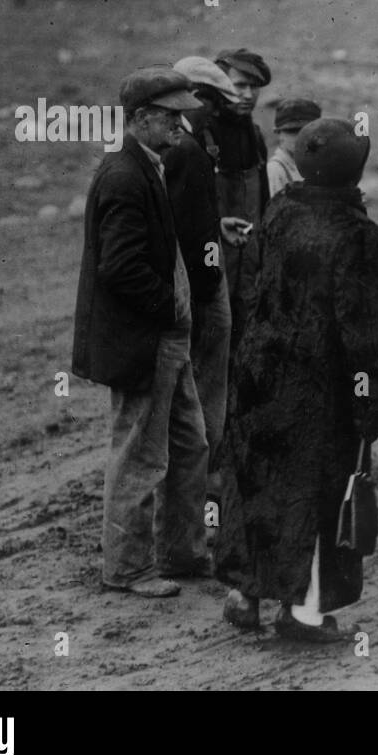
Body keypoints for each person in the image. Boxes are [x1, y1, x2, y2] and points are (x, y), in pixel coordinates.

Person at [214, 117, 378, 642]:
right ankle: (302, 614)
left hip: (259, 371)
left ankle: (244, 593)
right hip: (320, 389)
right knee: (313, 496)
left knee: (255, 483)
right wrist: (370, 400)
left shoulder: (281, 209)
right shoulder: (357, 234)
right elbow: (358, 332)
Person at [71, 65, 211, 597]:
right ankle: (127, 569)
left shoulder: (148, 165)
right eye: (170, 115)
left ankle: (183, 553)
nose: (181, 122)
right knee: (139, 455)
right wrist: (170, 309)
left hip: (164, 340)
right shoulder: (126, 176)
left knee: (191, 443)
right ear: (139, 120)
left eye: (181, 112)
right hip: (148, 342)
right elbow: (120, 267)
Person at [165, 57, 252, 529]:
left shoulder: (188, 147)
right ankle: (199, 509)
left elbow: (189, 217)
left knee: (201, 405)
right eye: (206, 101)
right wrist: (203, 292)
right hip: (196, 295)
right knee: (199, 407)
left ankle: (201, 503)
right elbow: (178, 226)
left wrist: (215, 227)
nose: (205, 111)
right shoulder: (187, 151)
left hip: (196, 289)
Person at [200, 48, 273, 355]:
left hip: (249, 265)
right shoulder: (202, 134)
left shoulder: (254, 136)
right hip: (212, 263)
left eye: (253, 87)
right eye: (239, 85)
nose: (247, 95)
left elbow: (265, 203)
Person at [267, 98, 322, 194]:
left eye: (306, 131)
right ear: (278, 133)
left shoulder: (316, 162)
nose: (300, 138)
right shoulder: (276, 169)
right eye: (292, 131)